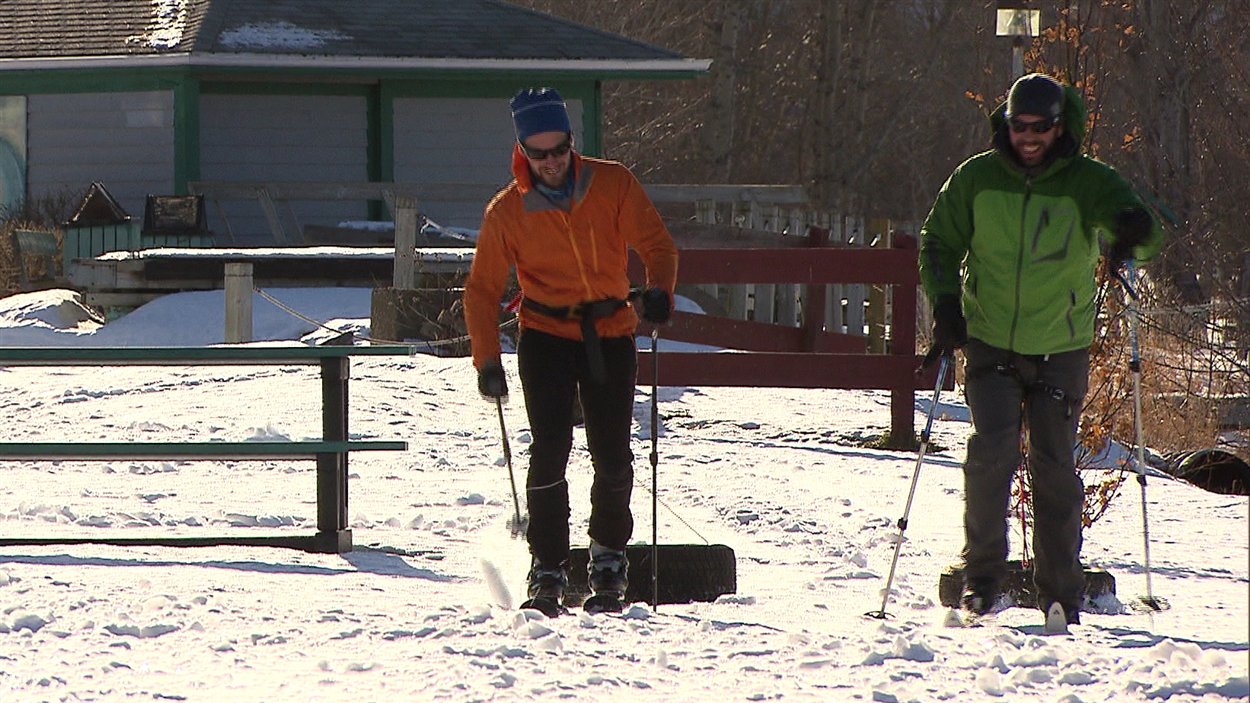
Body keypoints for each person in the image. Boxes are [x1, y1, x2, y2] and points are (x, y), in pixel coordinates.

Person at [918, 73, 1164, 624]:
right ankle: (981, 581)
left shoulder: (1086, 182)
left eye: (1041, 127)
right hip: (990, 340)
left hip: (1061, 343)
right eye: (1019, 125)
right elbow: (938, 239)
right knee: (990, 458)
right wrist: (946, 305)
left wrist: (1133, 232)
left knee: (1054, 469)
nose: (1029, 136)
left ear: (1059, 127)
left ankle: (1061, 592)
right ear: (1006, 125)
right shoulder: (976, 179)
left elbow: (1146, 234)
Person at [463, 88, 678, 613]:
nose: (553, 162)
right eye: (541, 154)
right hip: (545, 336)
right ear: (523, 153)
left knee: (612, 452)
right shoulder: (507, 211)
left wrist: (660, 291)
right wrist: (487, 360)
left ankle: (608, 561)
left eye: (560, 149)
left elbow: (657, 245)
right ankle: (549, 567)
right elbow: (483, 289)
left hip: (609, 332)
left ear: (571, 143)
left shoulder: (612, 183)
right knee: (549, 450)